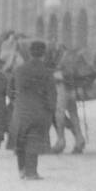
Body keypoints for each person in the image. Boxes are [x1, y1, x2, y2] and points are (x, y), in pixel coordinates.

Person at [8, 40, 57, 180]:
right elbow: (52, 94)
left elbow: (10, 91)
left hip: (21, 112)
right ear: (43, 54)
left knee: (21, 140)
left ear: (29, 53)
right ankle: (31, 172)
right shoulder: (47, 72)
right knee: (33, 142)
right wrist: (50, 110)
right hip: (40, 112)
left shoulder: (19, 70)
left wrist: (17, 103)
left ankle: (22, 170)